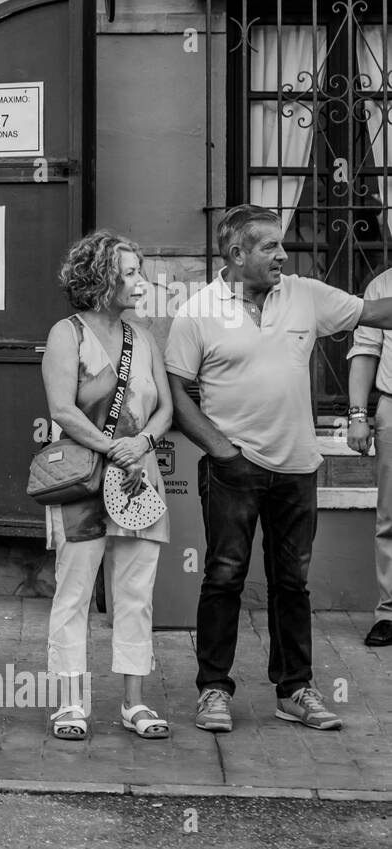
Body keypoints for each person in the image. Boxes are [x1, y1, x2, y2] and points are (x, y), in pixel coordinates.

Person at [166, 203, 392, 733]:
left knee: (293, 584)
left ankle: (295, 691)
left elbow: (377, 314)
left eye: (281, 244)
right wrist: (222, 451)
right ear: (236, 253)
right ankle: (214, 692)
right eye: (269, 246)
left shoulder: (306, 296)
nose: (282, 255)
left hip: (297, 470)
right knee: (223, 578)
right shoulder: (198, 311)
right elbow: (178, 394)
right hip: (232, 471)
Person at [41, 231, 172, 741]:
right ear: (101, 278)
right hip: (82, 478)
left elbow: (165, 407)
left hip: (140, 478)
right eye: (131, 271)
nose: (140, 281)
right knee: (73, 591)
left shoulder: (143, 337)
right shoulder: (65, 334)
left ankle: (134, 704)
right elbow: (61, 409)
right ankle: (71, 704)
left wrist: (139, 444)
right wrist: (111, 446)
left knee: (135, 593)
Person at [345, 265, 392, 648]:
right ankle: (389, 612)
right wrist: (358, 415)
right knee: (390, 517)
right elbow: (365, 350)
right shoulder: (383, 284)